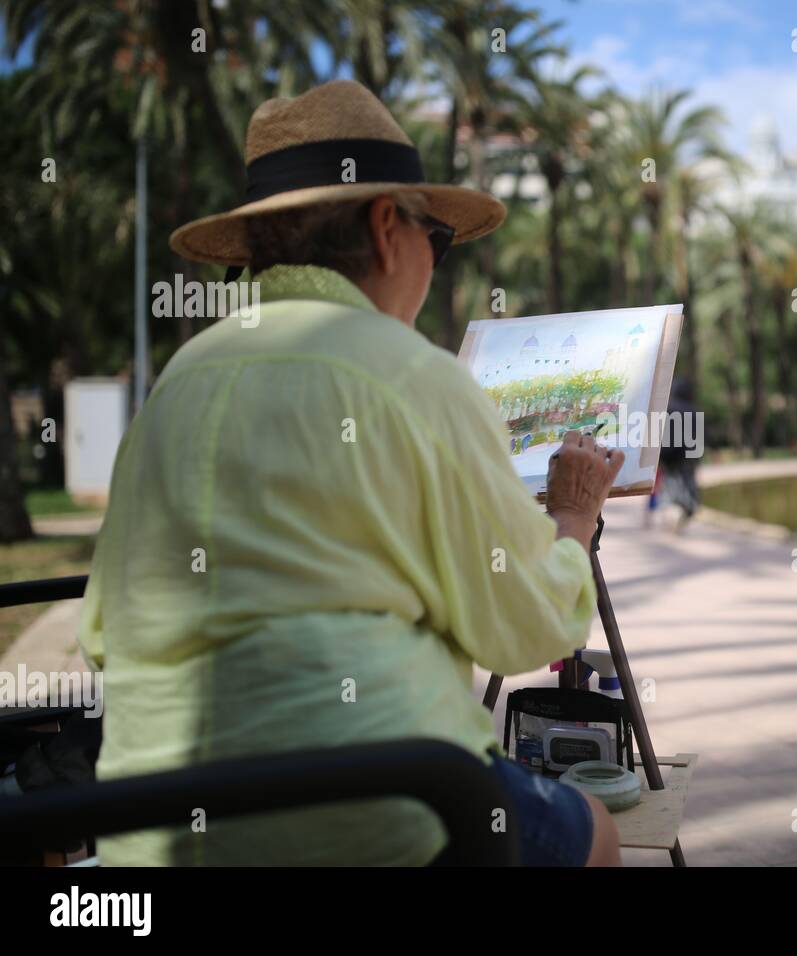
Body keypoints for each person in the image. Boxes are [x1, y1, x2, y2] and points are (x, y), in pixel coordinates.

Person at [78, 80, 624, 866]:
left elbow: (101, 632)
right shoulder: (414, 376)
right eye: (435, 240)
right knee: (596, 835)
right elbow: (525, 627)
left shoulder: (175, 384)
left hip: (151, 825)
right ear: (384, 226)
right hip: (381, 815)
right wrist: (573, 518)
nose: (434, 265)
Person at [645, 378, 701, 533]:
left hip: (669, 458)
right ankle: (681, 513)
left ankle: (672, 514)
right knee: (686, 488)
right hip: (689, 459)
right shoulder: (694, 410)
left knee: (670, 488)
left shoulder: (668, 409)